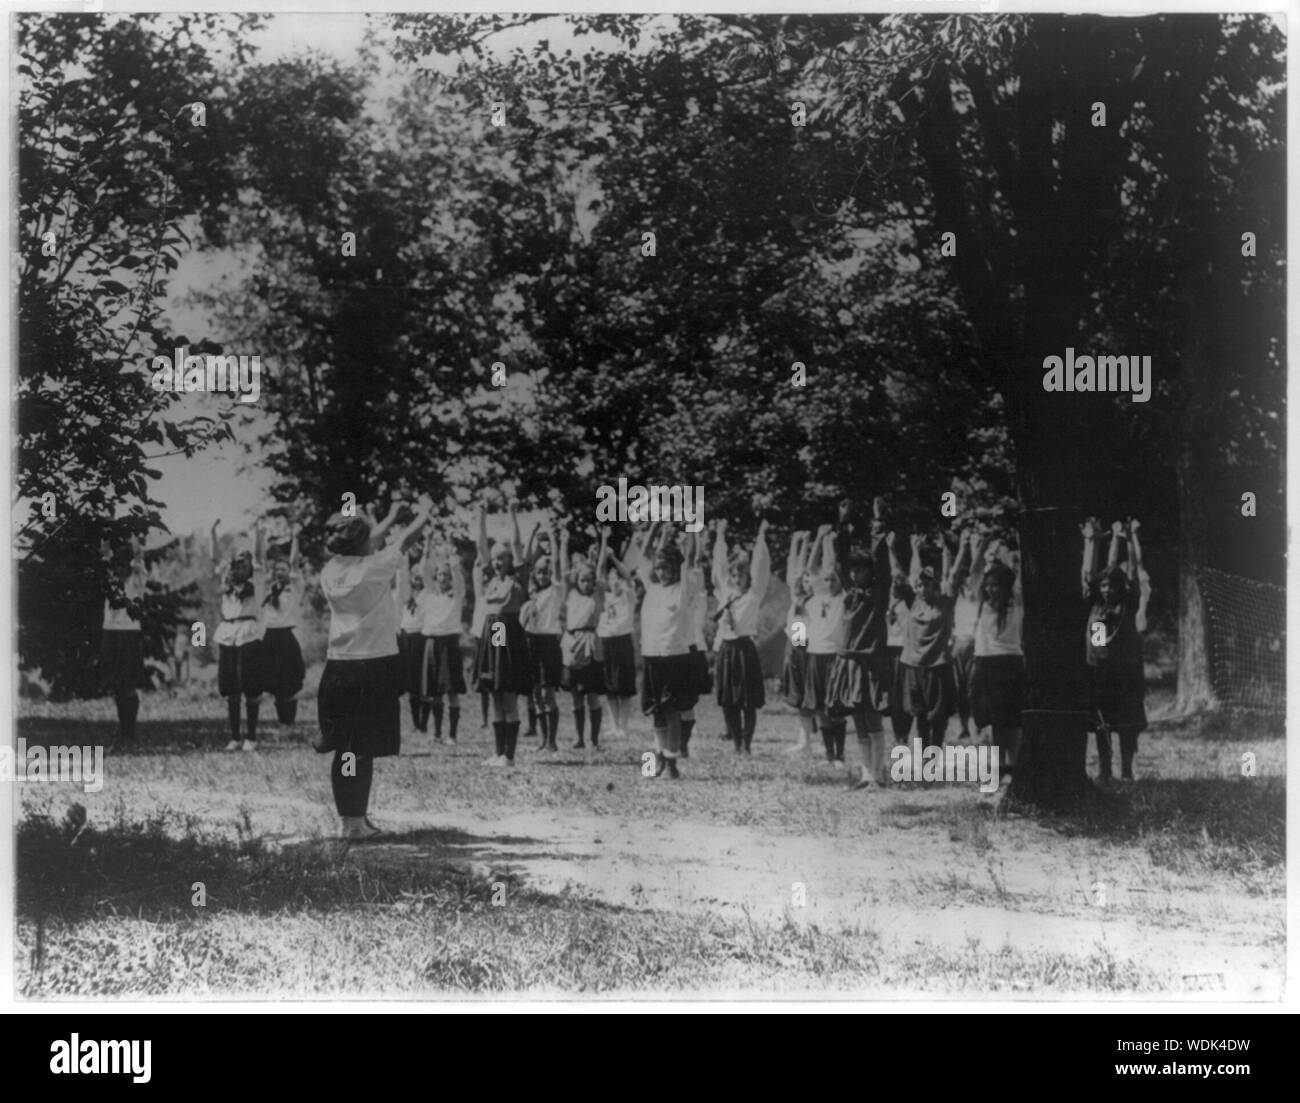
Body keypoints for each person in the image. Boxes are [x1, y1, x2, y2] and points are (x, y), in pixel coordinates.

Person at [317, 496, 432, 840]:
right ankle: (353, 823)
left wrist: (391, 515)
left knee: (349, 747)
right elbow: (402, 541)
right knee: (361, 748)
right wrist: (423, 514)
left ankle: (354, 818)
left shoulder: (331, 571)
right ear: (362, 543)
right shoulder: (373, 569)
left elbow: (369, 541)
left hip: (338, 669)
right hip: (371, 668)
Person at [826, 497, 893, 790]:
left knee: (873, 718)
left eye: (861, 569)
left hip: (870, 661)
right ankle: (867, 775)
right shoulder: (850, 593)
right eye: (853, 570)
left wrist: (878, 522)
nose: (855, 574)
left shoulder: (878, 593)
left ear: (871, 571)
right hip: (849, 660)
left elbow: (881, 559)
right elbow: (840, 559)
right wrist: (842, 523)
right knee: (859, 721)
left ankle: (878, 775)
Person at [1082, 517, 1147, 784]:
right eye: (1104, 586)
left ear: (1120, 589)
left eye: (1112, 586)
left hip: (1125, 671)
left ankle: (1128, 770)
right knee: (1101, 723)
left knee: (1128, 724)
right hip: (1098, 671)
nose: (1107, 590)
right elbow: (1089, 574)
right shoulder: (1094, 605)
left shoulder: (1127, 605)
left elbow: (1132, 572)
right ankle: (1105, 769)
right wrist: (1092, 541)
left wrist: (1129, 539)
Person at [636, 529, 702, 779]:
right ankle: (660, 757)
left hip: (675, 658)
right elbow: (643, 555)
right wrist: (656, 526)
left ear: (676, 569)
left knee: (672, 709)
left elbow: (691, 560)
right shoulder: (652, 587)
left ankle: (672, 762)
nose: (662, 572)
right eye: (659, 568)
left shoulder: (682, 589)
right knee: (656, 712)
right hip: (652, 657)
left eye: (667, 568)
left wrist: (690, 538)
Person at [473, 501, 533, 766]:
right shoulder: (491, 579)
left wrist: (512, 515)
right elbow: (480, 548)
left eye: (503, 558)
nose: (497, 562)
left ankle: (509, 755)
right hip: (492, 634)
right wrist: (482, 517)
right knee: (495, 691)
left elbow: (518, 546)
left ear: (510, 561)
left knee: (507, 693)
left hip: (508, 634)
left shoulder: (518, 579)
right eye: (496, 558)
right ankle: (498, 753)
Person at [891, 531, 956, 754]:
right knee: (919, 715)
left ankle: (934, 759)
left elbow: (950, 577)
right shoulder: (913, 603)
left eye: (927, 585)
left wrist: (947, 552)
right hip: (913, 666)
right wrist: (912, 549)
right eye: (919, 586)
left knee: (937, 717)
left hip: (938, 667)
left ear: (934, 586)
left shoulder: (944, 604)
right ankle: (923, 759)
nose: (922, 589)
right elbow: (902, 574)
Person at [712, 518, 771, 755]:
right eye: (734, 576)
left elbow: (760, 565)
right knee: (729, 701)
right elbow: (718, 567)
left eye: (742, 576)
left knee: (748, 701)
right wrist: (719, 536)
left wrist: (761, 536)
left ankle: (747, 743)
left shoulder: (753, 595)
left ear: (748, 579)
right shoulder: (725, 593)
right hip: (727, 649)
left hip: (745, 648)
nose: (737, 580)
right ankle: (736, 743)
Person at [970, 540, 1024, 795]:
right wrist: (979, 550)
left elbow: (1020, 580)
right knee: (992, 722)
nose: (991, 589)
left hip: (1009, 663)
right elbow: (974, 576)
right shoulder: (982, 603)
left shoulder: (1017, 604)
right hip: (985, 663)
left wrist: (1014, 552)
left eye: (995, 585)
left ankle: (1013, 769)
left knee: (1010, 722)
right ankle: (997, 768)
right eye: (988, 585)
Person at [211, 519, 266, 751]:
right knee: (231, 688)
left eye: (245, 564)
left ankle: (251, 737)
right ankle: (234, 737)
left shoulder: (258, 580)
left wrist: (256, 534)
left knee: (251, 687)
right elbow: (215, 560)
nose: (240, 568)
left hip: (248, 635)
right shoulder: (227, 582)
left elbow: (260, 557)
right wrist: (213, 532)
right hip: (227, 635)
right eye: (237, 565)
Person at [801, 526, 848, 766]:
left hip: (834, 657)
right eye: (826, 579)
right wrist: (818, 538)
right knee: (819, 706)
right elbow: (810, 568)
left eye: (833, 579)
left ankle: (840, 753)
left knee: (835, 707)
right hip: (814, 656)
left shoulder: (843, 600)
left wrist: (830, 543)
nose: (829, 583)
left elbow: (832, 564)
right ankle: (829, 753)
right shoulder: (814, 599)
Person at [99, 537, 150, 752]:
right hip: (111, 633)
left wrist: (135, 540)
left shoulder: (137, 579)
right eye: (117, 564)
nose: (120, 568)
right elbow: (105, 555)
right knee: (117, 685)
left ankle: (130, 732)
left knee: (128, 684)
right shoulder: (110, 579)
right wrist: (105, 540)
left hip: (129, 634)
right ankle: (123, 730)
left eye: (124, 564)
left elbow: (139, 556)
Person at [522, 514, 565, 752]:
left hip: (549, 642)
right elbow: (528, 561)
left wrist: (552, 539)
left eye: (545, 572)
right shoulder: (532, 593)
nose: (542, 576)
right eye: (539, 573)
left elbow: (557, 563)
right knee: (536, 693)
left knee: (548, 693)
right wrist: (533, 533)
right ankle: (542, 738)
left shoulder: (556, 589)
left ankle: (552, 741)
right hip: (531, 641)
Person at [420, 539, 468, 744]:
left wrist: (452, 560)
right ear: (436, 577)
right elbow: (424, 570)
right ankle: (437, 733)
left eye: (446, 576)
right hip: (432, 643)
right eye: (440, 574)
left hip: (449, 644)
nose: (443, 579)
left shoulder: (456, 596)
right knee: (434, 691)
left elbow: (459, 580)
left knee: (452, 690)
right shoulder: (429, 594)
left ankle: (453, 734)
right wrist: (428, 545)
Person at [562, 529, 606, 750]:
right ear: (577, 581)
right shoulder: (571, 595)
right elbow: (562, 572)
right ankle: (579, 737)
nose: (586, 584)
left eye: (590, 580)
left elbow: (600, 572)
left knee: (592, 696)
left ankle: (594, 739)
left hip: (590, 644)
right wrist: (563, 542)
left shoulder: (596, 597)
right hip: (572, 645)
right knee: (576, 696)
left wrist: (604, 542)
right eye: (582, 580)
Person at [260, 522, 307, 729]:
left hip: (287, 636)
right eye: (277, 569)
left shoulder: (294, 587)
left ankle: (290, 721)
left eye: (283, 569)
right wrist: (260, 537)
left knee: (290, 681)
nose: (280, 572)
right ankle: (282, 722)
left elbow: (296, 562)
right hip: (270, 637)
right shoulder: (267, 589)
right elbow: (259, 562)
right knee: (274, 682)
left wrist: (295, 537)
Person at [597, 527, 640, 742]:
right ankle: (613, 725)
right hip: (607, 641)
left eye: (617, 578)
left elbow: (628, 575)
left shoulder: (628, 595)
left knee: (624, 687)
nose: (614, 581)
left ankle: (624, 726)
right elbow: (599, 573)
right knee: (610, 688)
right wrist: (604, 544)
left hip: (623, 641)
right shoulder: (604, 596)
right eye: (611, 578)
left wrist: (613, 557)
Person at [947, 529, 988, 741]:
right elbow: (953, 576)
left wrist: (976, 547)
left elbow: (977, 570)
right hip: (958, 645)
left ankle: (976, 726)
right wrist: (962, 548)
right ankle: (963, 726)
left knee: (973, 689)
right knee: (959, 689)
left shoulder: (979, 596)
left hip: (974, 645)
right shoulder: (957, 596)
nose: (969, 584)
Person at [778, 529, 815, 755]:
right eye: (805, 578)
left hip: (808, 648)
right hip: (795, 646)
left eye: (811, 578)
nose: (805, 581)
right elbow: (796, 570)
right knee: (799, 696)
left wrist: (810, 541)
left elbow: (801, 571)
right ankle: (805, 741)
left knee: (812, 697)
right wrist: (797, 543)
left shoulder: (816, 599)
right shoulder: (797, 598)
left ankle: (830, 747)